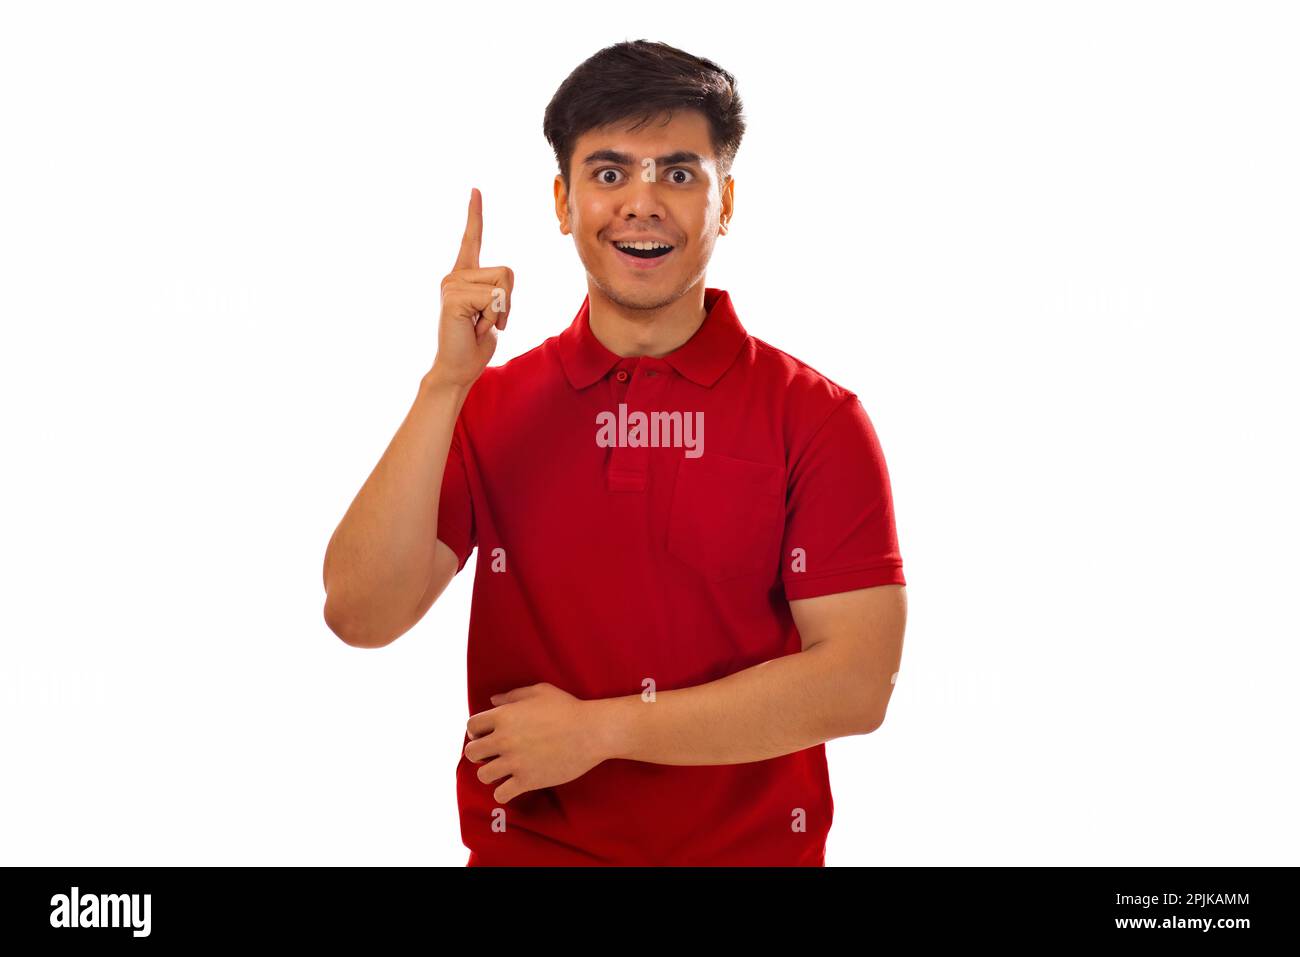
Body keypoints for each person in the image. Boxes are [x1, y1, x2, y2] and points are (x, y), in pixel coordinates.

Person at [322, 39, 908, 866]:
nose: (642, 202)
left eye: (678, 173)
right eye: (608, 173)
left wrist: (602, 730)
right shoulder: (487, 405)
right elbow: (360, 613)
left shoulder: (818, 418)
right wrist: (444, 384)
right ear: (562, 203)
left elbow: (857, 682)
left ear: (726, 200)